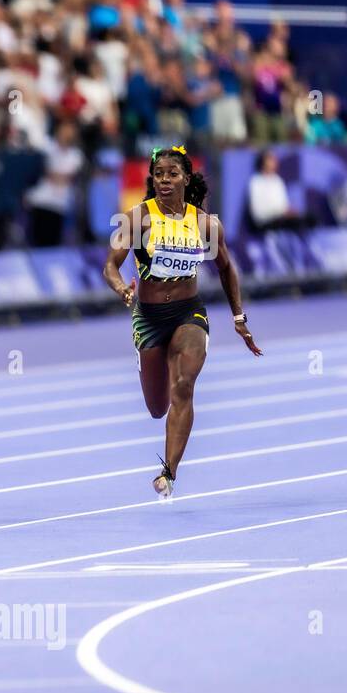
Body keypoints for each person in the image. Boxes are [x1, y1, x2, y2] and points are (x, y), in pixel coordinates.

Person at [103, 146, 262, 498]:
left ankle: (169, 473)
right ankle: (148, 366)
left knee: (184, 385)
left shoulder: (205, 224)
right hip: (148, 319)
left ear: (185, 178)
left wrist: (239, 317)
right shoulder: (137, 219)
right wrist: (121, 289)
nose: (164, 180)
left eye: (172, 173)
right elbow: (110, 265)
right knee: (158, 407)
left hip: (189, 313)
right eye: (158, 174)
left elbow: (226, 269)